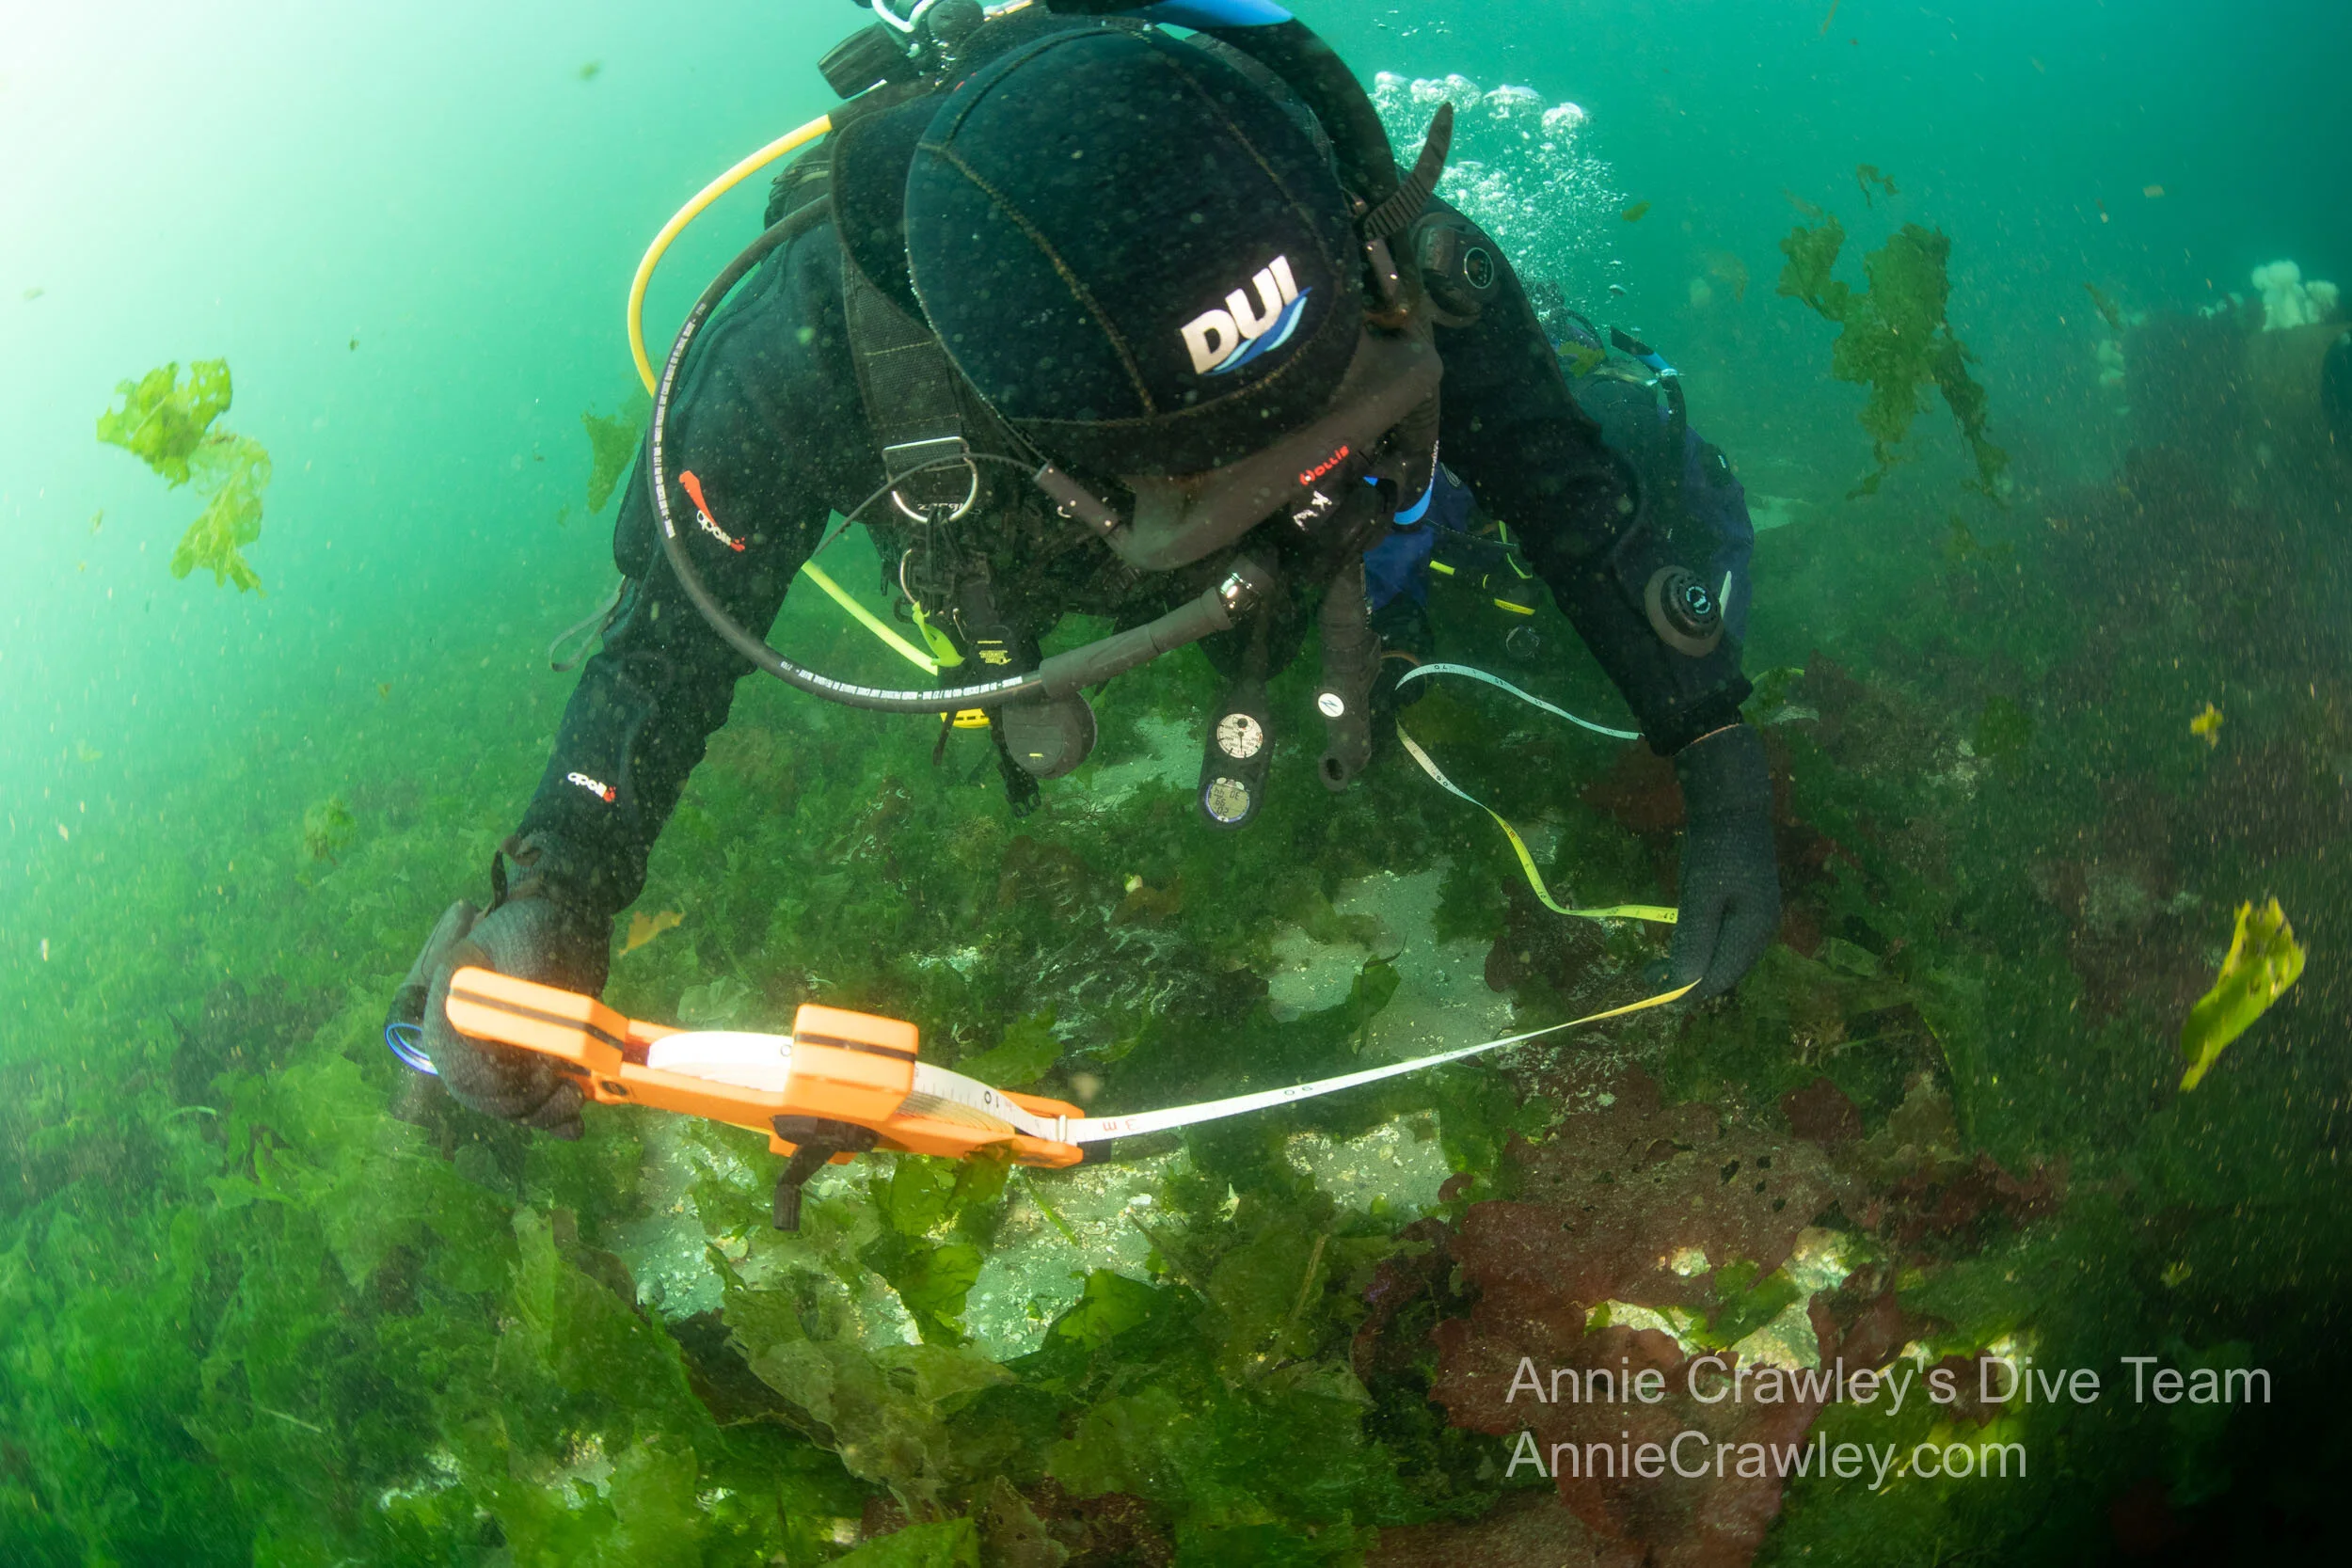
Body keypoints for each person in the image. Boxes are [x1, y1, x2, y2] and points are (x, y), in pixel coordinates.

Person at [393, 0, 1779, 1138]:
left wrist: (1708, 738)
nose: (1262, 457)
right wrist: (554, 892)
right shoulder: (810, 362)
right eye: (1203, 451)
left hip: (1361, 535)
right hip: (1070, 568)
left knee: (1585, 464)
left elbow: (1542, 455)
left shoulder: (1303, 165)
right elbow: (662, 651)